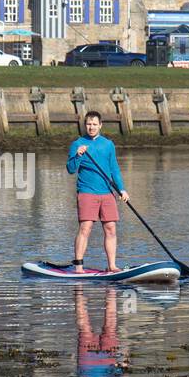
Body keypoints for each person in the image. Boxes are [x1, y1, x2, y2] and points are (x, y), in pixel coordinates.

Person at [66, 111, 128, 272]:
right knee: (85, 228)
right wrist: (78, 155)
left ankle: (112, 265)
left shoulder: (108, 144)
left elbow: (114, 168)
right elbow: (71, 169)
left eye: (94, 124)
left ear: (100, 125)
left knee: (111, 228)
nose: (91, 127)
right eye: (88, 124)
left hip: (107, 193)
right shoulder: (78, 144)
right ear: (85, 125)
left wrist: (121, 189)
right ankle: (78, 266)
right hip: (87, 192)